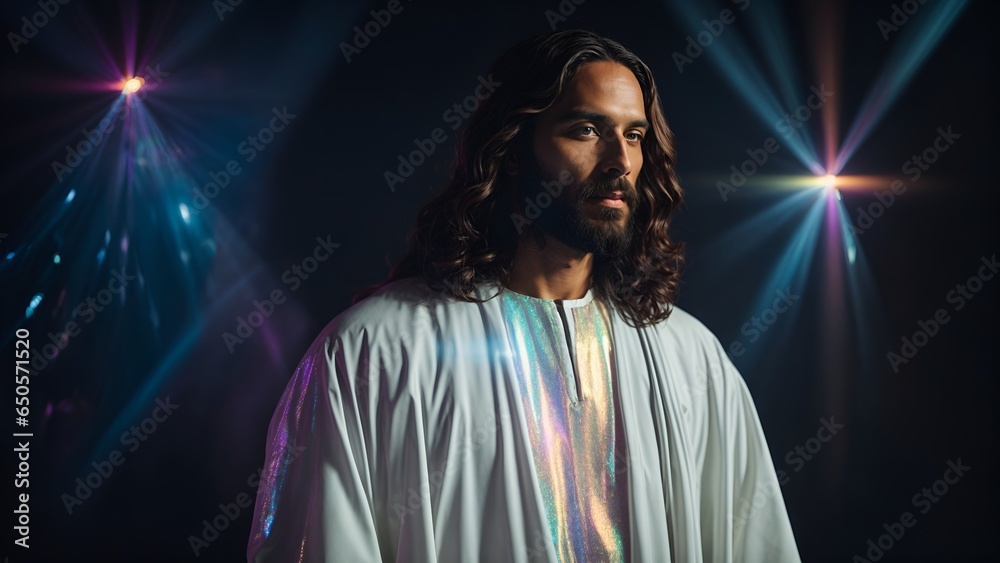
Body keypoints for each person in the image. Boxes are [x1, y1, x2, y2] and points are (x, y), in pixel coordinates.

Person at [248, 29, 800, 562]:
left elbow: (754, 541)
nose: (620, 162)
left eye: (634, 135)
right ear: (512, 148)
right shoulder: (378, 351)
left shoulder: (691, 357)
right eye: (586, 130)